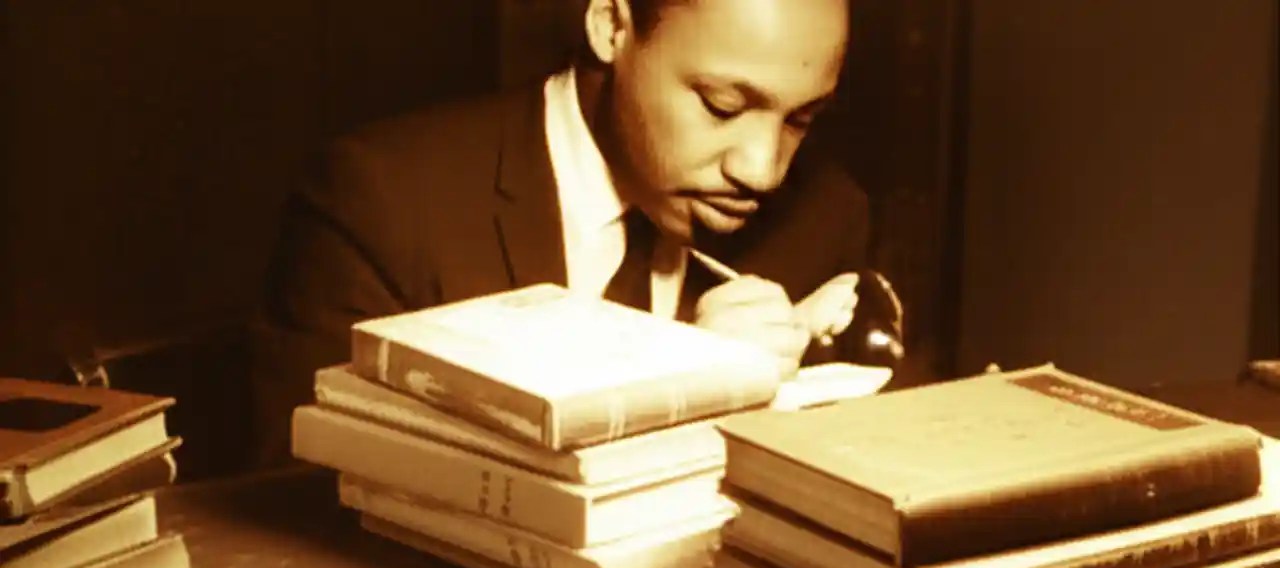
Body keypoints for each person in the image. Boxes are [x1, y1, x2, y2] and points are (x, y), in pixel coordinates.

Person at [250, 0, 895, 467]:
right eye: (722, 106)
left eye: (800, 119)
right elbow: (303, 509)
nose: (762, 170)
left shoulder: (822, 221)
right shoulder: (384, 202)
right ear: (611, 24)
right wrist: (677, 383)